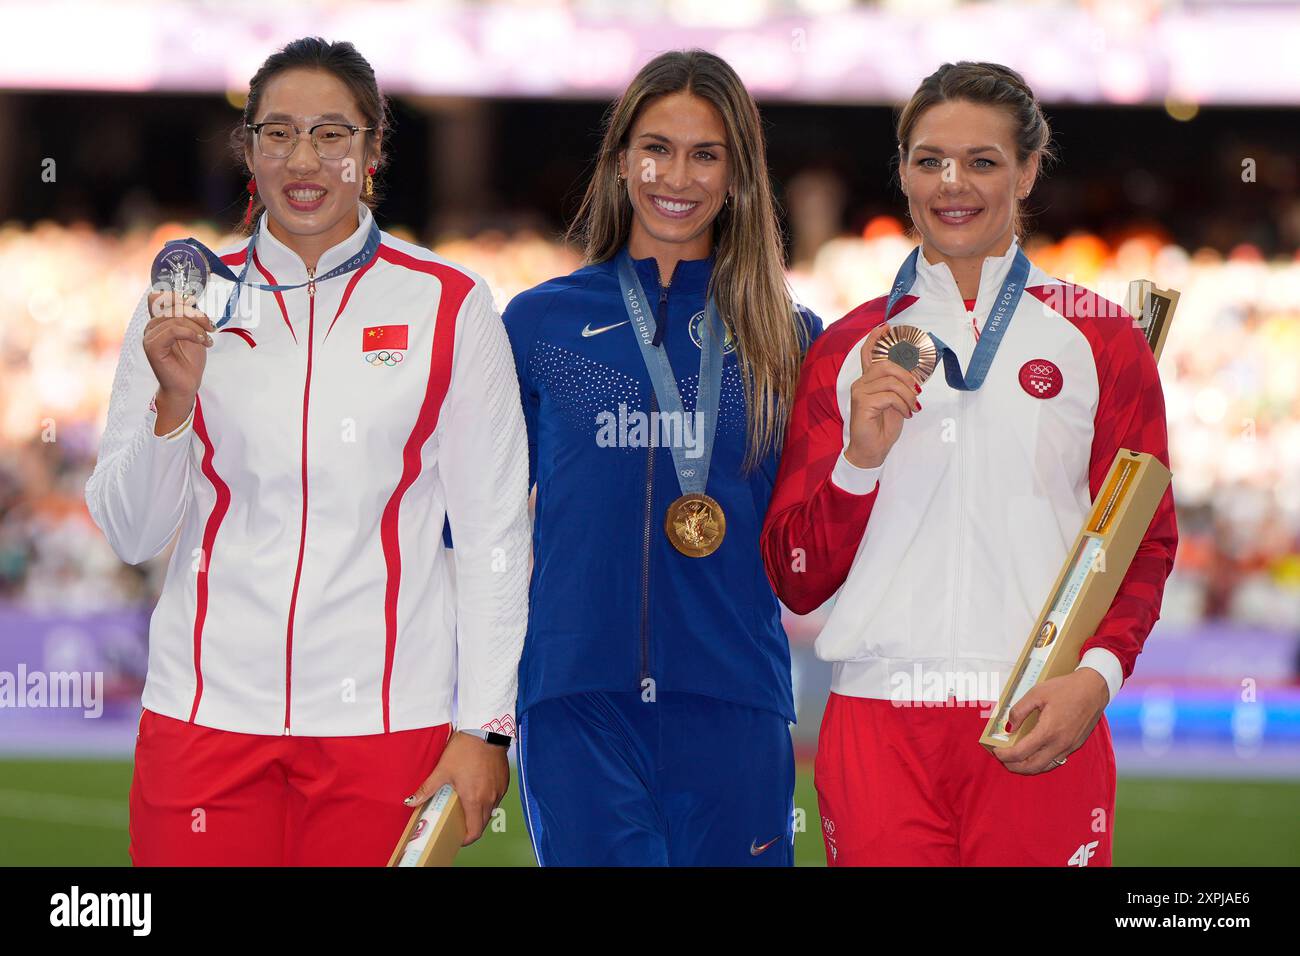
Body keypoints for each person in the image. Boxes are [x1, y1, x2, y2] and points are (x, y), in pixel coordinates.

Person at [85, 37, 529, 866]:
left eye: (333, 134)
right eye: (278, 132)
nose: (305, 158)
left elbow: (495, 535)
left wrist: (488, 726)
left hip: (385, 724)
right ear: (248, 147)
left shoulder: (450, 303)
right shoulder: (183, 297)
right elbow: (132, 533)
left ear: (373, 150)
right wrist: (172, 402)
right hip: (204, 714)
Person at [761, 61, 1178, 867]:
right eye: (929, 160)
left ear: (1027, 170)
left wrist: (1094, 677)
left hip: (1040, 713)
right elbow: (797, 574)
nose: (954, 184)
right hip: (879, 725)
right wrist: (858, 463)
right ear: (905, 173)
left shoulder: (1101, 337)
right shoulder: (845, 347)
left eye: (983, 161)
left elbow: (1144, 540)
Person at [502, 49, 821, 866]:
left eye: (705, 153)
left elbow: (811, 544)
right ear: (619, 163)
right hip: (577, 703)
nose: (676, 175)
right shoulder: (540, 325)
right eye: (656, 147)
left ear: (737, 175)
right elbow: (481, 525)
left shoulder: (787, 338)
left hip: (732, 701)